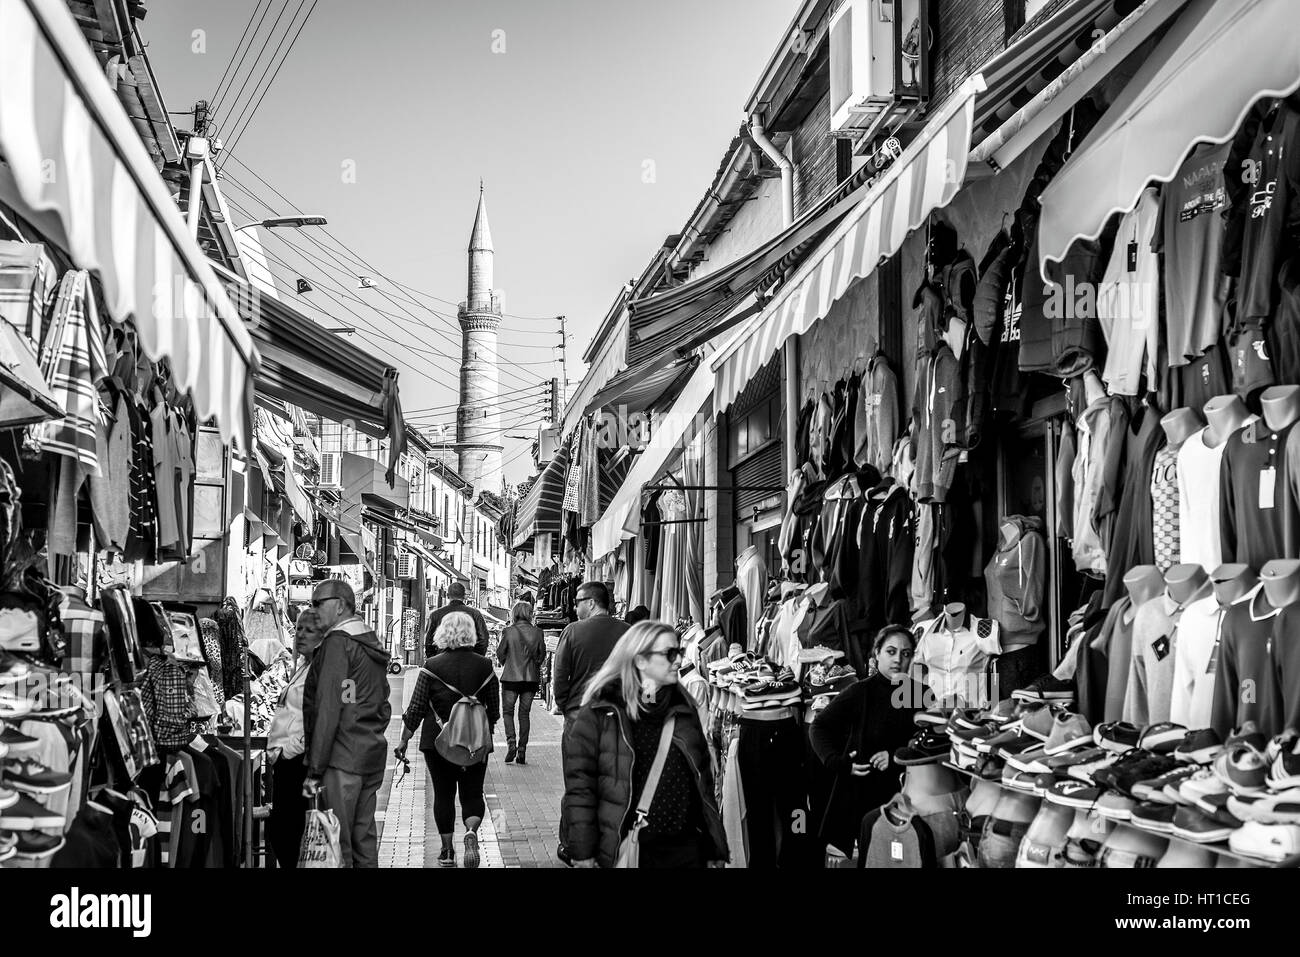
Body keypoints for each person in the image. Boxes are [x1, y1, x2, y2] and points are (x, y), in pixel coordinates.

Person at [560, 622, 728, 868]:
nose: (679, 661)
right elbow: (581, 788)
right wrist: (583, 850)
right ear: (640, 661)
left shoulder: (684, 709)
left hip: (687, 851)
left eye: (679, 652)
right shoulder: (601, 713)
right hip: (631, 849)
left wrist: (714, 846)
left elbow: (702, 784)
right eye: (669, 654)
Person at [809, 625, 925, 858]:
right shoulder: (861, 692)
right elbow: (818, 727)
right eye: (891, 652)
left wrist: (895, 755)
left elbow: (927, 743)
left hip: (910, 797)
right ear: (877, 654)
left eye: (905, 653)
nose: (898, 660)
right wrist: (836, 761)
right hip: (865, 800)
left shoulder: (921, 694)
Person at [396, 611, 500, 868]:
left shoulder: (431, 667)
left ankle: (447, 851)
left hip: (437, 741)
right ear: (471, 635)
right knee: (473, 792)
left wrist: (403, 741)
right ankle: (471, 831)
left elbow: (416, 709)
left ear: (442, 633)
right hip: (475, 743)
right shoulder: (485, 666)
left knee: (443, 795)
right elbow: (495, 710)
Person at [301, 580, 392, 868]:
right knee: (363, 838)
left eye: (318, 602)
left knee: (338, 842)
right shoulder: (368, 643)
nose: (313, 609)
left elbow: (328, 707)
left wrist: (315, 769)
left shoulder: (338, 643)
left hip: (342, 757)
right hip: (369, 753)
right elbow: (383, 703)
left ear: (340, 605)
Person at [266, 609, 325, 868]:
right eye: (299, 629)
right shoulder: (304, 666)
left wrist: (288, 750)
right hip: (287, 761)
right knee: (285, 833)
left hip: (297, 763)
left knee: (287, 833)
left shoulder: (319, 671)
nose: (300, 635)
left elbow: (319, 718)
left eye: (309, 630)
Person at [552, 582, 630, 727]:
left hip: (580, 713)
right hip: (618, 715)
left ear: (591, 603)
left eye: (577, 602)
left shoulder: (572, 631)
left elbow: (560, 676)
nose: (575, 607)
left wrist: (565, 707)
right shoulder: (629, 632)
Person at [496, 600, 545, 765]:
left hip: (510, 678)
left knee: (508, 712)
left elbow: (500, 653)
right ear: (530, 614)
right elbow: (540, 657)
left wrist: (507, 662)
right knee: (524, 714)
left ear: (514, 613)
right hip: (530, 680)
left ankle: (511, 742)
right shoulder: (538, 632)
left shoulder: (508, 632)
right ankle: (522, 750)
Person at [425, 581, 489, 657]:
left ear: (447, 595)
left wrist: (433, 658)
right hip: (469, 658)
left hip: (441, 658)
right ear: (464, 596)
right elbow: (483, 639)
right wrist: (477, 656)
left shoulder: (435, 614)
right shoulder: (475, 614)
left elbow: (428, 641)